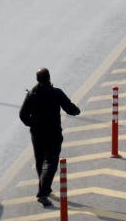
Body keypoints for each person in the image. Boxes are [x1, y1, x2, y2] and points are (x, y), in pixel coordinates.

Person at [19, 68, 80, 207]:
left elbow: (22, 115)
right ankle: (43, 193)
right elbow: (69, 108)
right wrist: (76, 111)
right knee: (51, 163)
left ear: (37, 79)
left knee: (40, 161)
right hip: (53, 133)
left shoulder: (31, 95)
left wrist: (33, 124)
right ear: (49, 78)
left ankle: (44, 189)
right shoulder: (56, 93)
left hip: (37, 134)